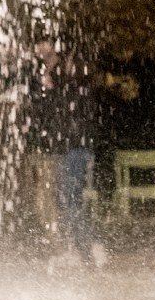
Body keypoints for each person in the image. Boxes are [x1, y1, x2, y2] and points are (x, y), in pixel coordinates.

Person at [28, 41, 104, 269]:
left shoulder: (75, 88)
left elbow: (65, 113)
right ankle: (85, 249)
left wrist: (51, 87)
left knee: (70, 201)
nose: (65, 63)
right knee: (68, 201)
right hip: (72, 148)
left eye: (69, 61)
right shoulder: (75, 88)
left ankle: (87, 251)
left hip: (74, 148)